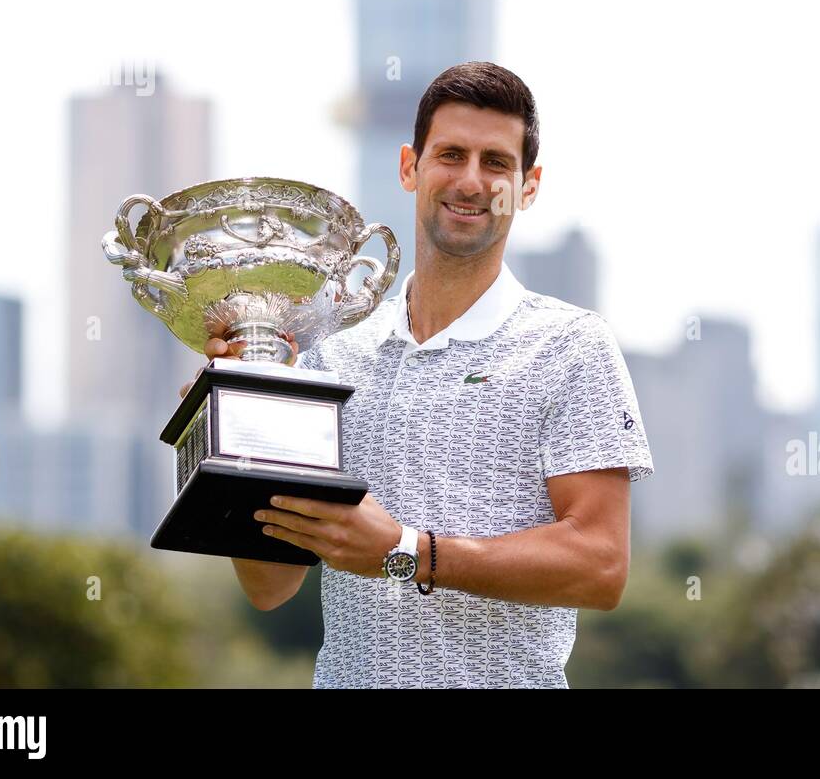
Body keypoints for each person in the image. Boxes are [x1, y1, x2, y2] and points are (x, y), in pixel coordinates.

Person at [188, 61, 654, 688]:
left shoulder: (571, 347)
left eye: (496, 163)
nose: (470, 180)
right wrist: (242, 419)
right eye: (451, 154)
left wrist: (405, 552)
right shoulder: (331, 350)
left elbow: (601, 566)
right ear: (410, 166)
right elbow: (271, 586)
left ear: (528, 185)